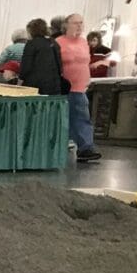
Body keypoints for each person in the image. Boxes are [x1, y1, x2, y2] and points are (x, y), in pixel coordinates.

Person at [57, 14, 101, 164]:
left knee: (80, 116)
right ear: (66, 25)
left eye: (81, 23)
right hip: (67, 86)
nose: (79, 26)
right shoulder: (59, 42)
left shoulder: (83, 42)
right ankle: (84, 147)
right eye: (76, 23)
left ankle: (84, 148)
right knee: (77, 117)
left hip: (81, 87)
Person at [16, 18, 63, 97]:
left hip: (35, 84)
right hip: (54, 84)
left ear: (31, 31)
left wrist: (20, 81)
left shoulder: (32, 44)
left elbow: (26, 65)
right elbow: (59, 64)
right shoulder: (53, 42)